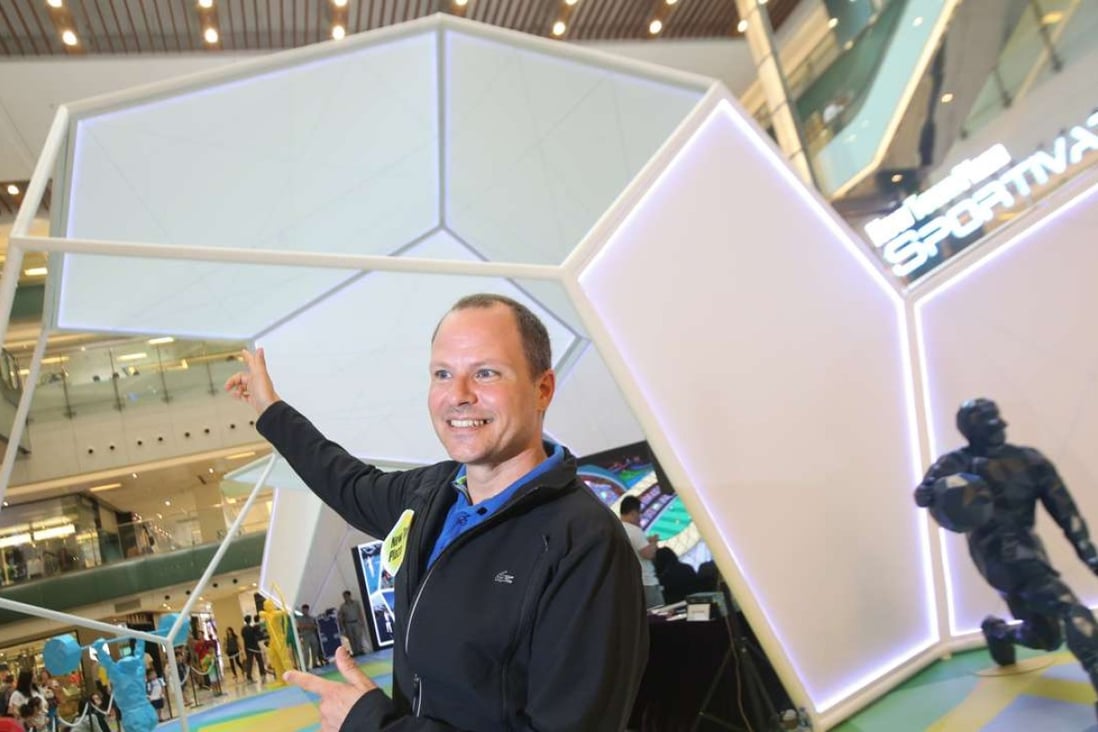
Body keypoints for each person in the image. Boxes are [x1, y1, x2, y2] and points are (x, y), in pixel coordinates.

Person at [226, 293, 648, 730]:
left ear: (542, 389)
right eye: (443, 374)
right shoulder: (432, 495)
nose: (459, 396)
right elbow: (344, 480)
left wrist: (372, 724)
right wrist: (270, 411)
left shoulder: (582, 542)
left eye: (486, 373)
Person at [914, 398, 1098, 714]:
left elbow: (1068, 515)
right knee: (1072, 610)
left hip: (1029, 550)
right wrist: (930, 492)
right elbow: (924, 494)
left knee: (1047, 637)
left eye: (998, 419)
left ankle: (998, 632)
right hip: (997, 556)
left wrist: (1090, 556)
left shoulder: (1031, 461)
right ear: (970, 430)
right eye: (987, 421)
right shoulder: (957, 463)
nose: (999, 426)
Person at [620, 495, 664, 608]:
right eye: (639, 513)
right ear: (633, 512)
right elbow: (648, 554)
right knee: (658, 617)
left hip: (628, 583)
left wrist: (646, 541)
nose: (640, 517)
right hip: (646, 582)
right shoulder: (634, 530)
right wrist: (654, 542)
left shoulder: (617, 528)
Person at [337, 591, 368, 657]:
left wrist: (362, 622)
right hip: (348, 623)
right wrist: (342, 625)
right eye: (344, 596)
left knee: (358, 637)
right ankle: (355, 651)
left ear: (349, 596)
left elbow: (360, 613)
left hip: (356, 622)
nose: (345, 598)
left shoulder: (356, 603)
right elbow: (341, 616)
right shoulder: (343, 606)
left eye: (346, 596)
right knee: (351, 638)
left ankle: (360, 650)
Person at [297, 604, 325, 670]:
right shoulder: (299, 619)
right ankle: (305, 666)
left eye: (306, 610)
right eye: (304, 610)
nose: (305, 611)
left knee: (315, 649)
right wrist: (309, 626)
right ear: (302, 610)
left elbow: (316, 626)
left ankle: (314, 664)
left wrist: (308, 626)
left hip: (312, 634)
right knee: (306, 651)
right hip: (305, 636)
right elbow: (301, 627)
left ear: (308, 610)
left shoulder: (312, 618)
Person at [241, 614, 266, 682]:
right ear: (250, 620)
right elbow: (257, 636)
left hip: (247, 647)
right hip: (254, 646)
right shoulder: (252, 628)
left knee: (250, 662)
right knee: (259, 660)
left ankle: (249, 676)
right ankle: (262, 673)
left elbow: (243, 636)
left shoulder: (243, 629)